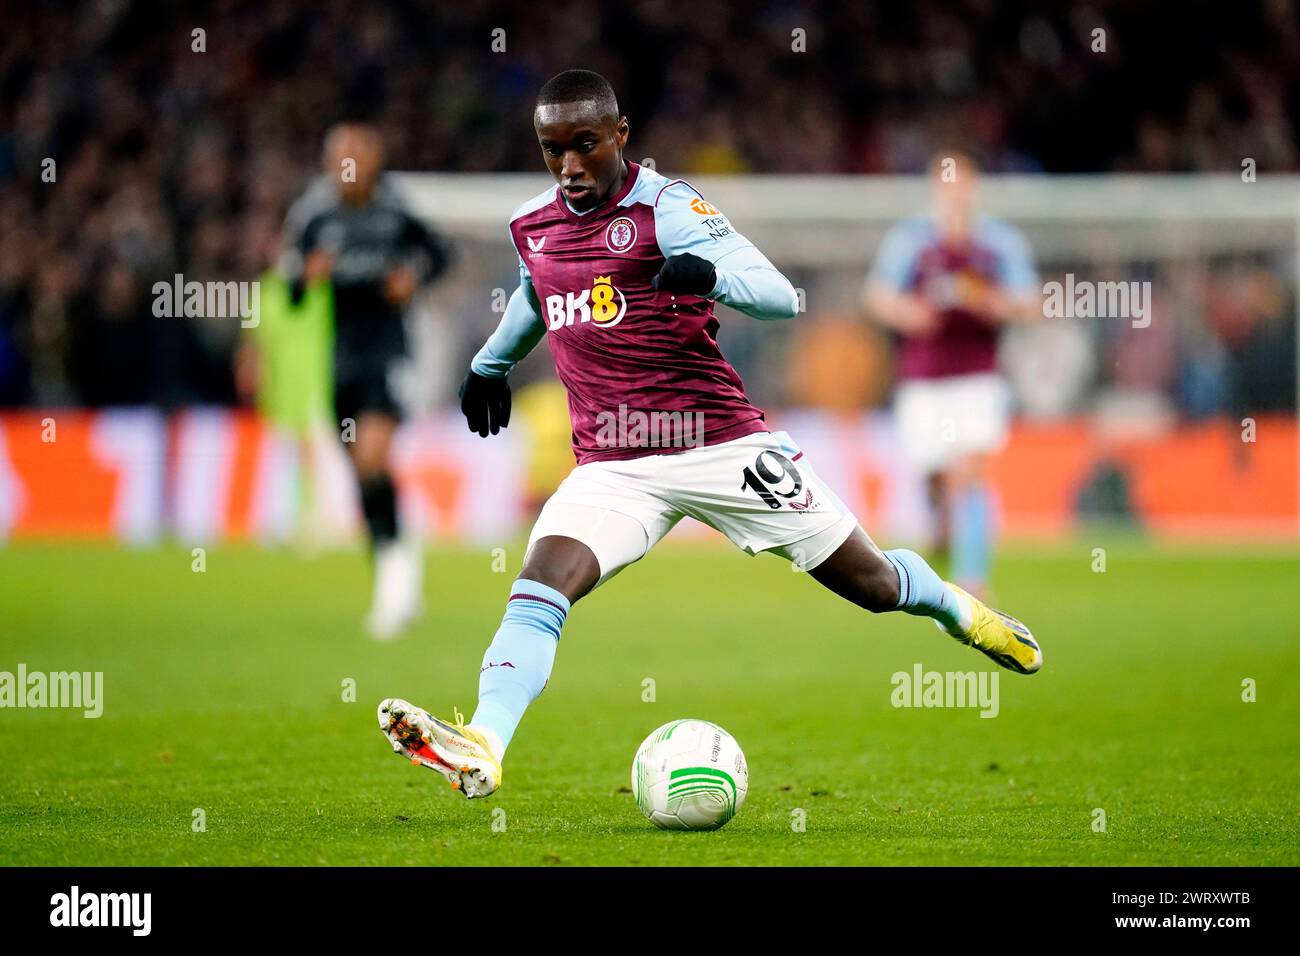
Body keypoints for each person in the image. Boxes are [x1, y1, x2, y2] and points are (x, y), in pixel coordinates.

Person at [378, 72, 1041, 799]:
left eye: (585, 146)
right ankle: (483, 743)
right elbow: (541, 288)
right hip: (613, 463)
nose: (570, 166)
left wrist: (708, 275)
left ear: (621, 136)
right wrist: (489, 363)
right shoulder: (533, 222)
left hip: (721, 445)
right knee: (538, 589)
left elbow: (782, 298)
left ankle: (959, 609)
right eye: (553, 150)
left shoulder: (670, 207)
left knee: (876, 586)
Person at [283, 122, 451, 638]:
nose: (345, 165)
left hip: (390, 355)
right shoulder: (315, 217)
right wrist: (304, 277)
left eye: (355, 154)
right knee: (362, 472)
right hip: (342, 362)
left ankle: (395, 585)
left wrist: (414, 279)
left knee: (374, 457)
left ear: (374, 159)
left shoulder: (397, 212)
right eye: (337, 155)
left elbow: (442, 256)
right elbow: (290, 287)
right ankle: (396, 560)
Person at [866, 152, 1040, 597]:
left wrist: (989, 303)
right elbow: (880, 297)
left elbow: (1029, 303)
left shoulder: (999, 243)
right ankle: (941, 521)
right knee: (937, 474)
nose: (955, 195)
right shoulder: (912, 241)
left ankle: (972, 578)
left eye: (962, 185)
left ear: (975, 189)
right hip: (924, 378)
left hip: (978, 377)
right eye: (948, 186)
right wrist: (912, 315)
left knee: (970, 472)